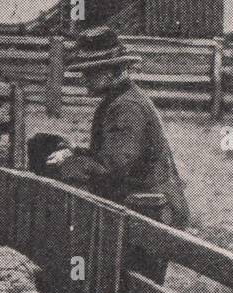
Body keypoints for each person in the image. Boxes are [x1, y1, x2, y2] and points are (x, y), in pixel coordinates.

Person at [47, 26, 191, 238]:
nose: (83, 78)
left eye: (90, 71)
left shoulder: (126, 107)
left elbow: (112, 167)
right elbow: (111, 156)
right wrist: (74, 151)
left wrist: (69, 163)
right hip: (140, 200)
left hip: (151, 209)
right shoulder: (118, 100)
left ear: (111, 71)